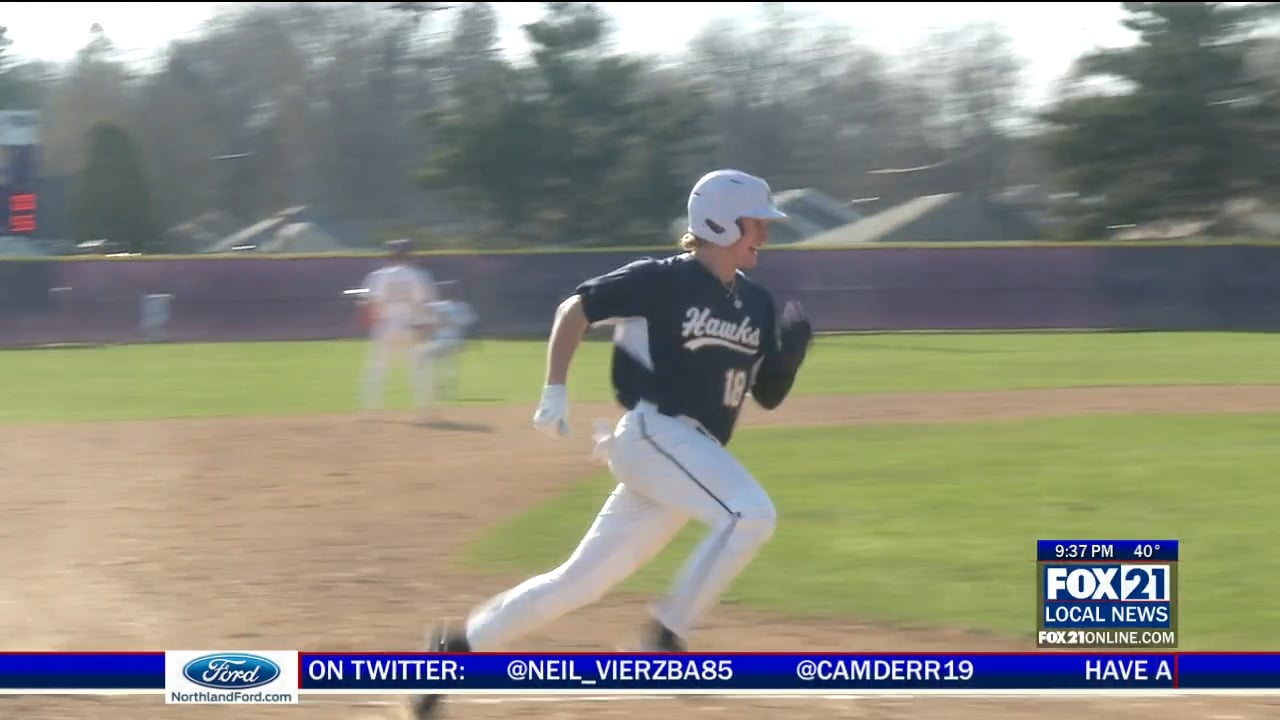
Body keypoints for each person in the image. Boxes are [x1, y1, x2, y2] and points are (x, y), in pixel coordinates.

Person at [412, 169, 814, 719]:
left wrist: (788, 358)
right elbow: (575, 309)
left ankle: (454, 651)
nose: (764, 236)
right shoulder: (664, 279)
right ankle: (665, 639)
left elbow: (765, 395)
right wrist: (555, 389)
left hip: (689, 456)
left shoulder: (758, 303)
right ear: (719, 222)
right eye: (755, 224)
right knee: (751, 514)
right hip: (655, 433)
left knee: (576, 584)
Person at [356, 239, 439, 421]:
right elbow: (424, 303)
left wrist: (373, 321)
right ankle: (425, 412)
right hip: (411, 323)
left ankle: (370, 412)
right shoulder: (419, 275)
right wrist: (429, 324)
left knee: (377, 369)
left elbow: (370, 303)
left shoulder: (378, 275)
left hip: (386, 324)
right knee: (419, 369)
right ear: (411, 256)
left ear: (390, 256)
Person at [425, 286, 478, 401]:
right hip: (456, 341)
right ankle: (451, 391)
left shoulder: (438, 305)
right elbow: (470, 322)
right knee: (451, 366)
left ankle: (438, 390)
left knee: (434, 365)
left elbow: (424, 307)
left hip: (440, 341)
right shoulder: (463, 307)